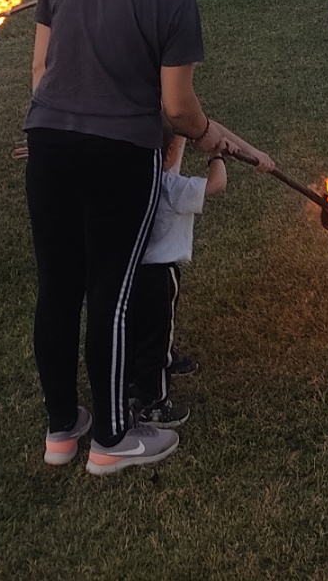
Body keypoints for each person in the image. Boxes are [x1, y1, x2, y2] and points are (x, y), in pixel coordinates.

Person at [25, 0, 272, 476]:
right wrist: (214, 137)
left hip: (49, 145)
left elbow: (39, 75)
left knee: (59, 290)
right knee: (110, 295)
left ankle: (63, 430)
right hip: (119, 156)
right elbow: (177, 108)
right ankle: (111, 439)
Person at [127, 126, 227, 428]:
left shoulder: (137, 182)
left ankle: (132, 382)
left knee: (138, 332)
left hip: (133, 271)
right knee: (157, 337)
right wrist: (216, 155)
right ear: (170, 152)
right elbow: (217, 184)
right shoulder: (172, 186)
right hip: (160, 274)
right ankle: (154, 403)